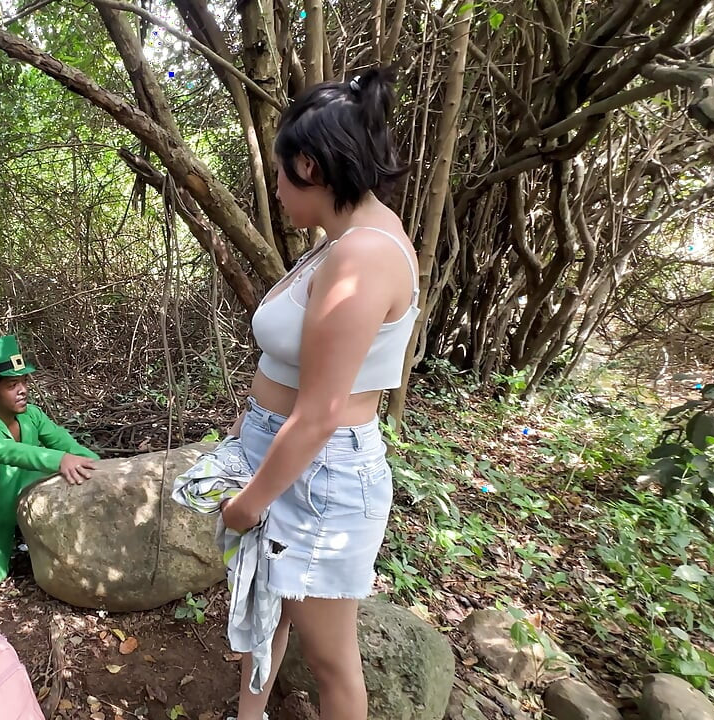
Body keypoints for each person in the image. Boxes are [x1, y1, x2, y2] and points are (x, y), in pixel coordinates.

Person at [218, 67, 413, 720]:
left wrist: (248, 503)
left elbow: (322, 412)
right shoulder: (341, 243)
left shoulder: (364, 256)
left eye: (279, 174)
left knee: (332, 663)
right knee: (264, 612)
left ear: (308, 165)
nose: (275, 190)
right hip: (286, 457)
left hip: (319, 476)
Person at [0, 335, 99, 586]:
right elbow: (13, 452)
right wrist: (61, 460)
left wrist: (98, 466)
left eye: (24, 382)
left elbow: (67, 445)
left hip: (30, 506)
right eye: (12, 385)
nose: (23, 390)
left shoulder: (31, 415)